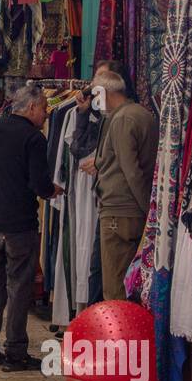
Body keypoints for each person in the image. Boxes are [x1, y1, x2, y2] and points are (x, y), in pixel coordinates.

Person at [0, 82, 62, 370]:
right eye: (45, 110)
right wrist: (53, 191)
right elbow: (39, 184)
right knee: (19, 285)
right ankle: (15, 352)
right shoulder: (33, 138)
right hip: (19, 223)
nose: (47, 115)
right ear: (33, 107)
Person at [89, 66, 159, 300]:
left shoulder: (122, 119)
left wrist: (147, 209)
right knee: (132, 281)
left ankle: (119, 336)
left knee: (116, 284)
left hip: (120, 211)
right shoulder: (142, 114)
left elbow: (131, 171)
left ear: (106, 93)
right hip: (130, 210)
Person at [70, 59, 132, 304]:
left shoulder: (123, 117)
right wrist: (83, 114)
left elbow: (127, 163)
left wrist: (100, 162)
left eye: (101, 81)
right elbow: (77, 149)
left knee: (108, 270)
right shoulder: (100, 115)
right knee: (98, 266)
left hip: (117, 203)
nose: (95, 86)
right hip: (99, 198)